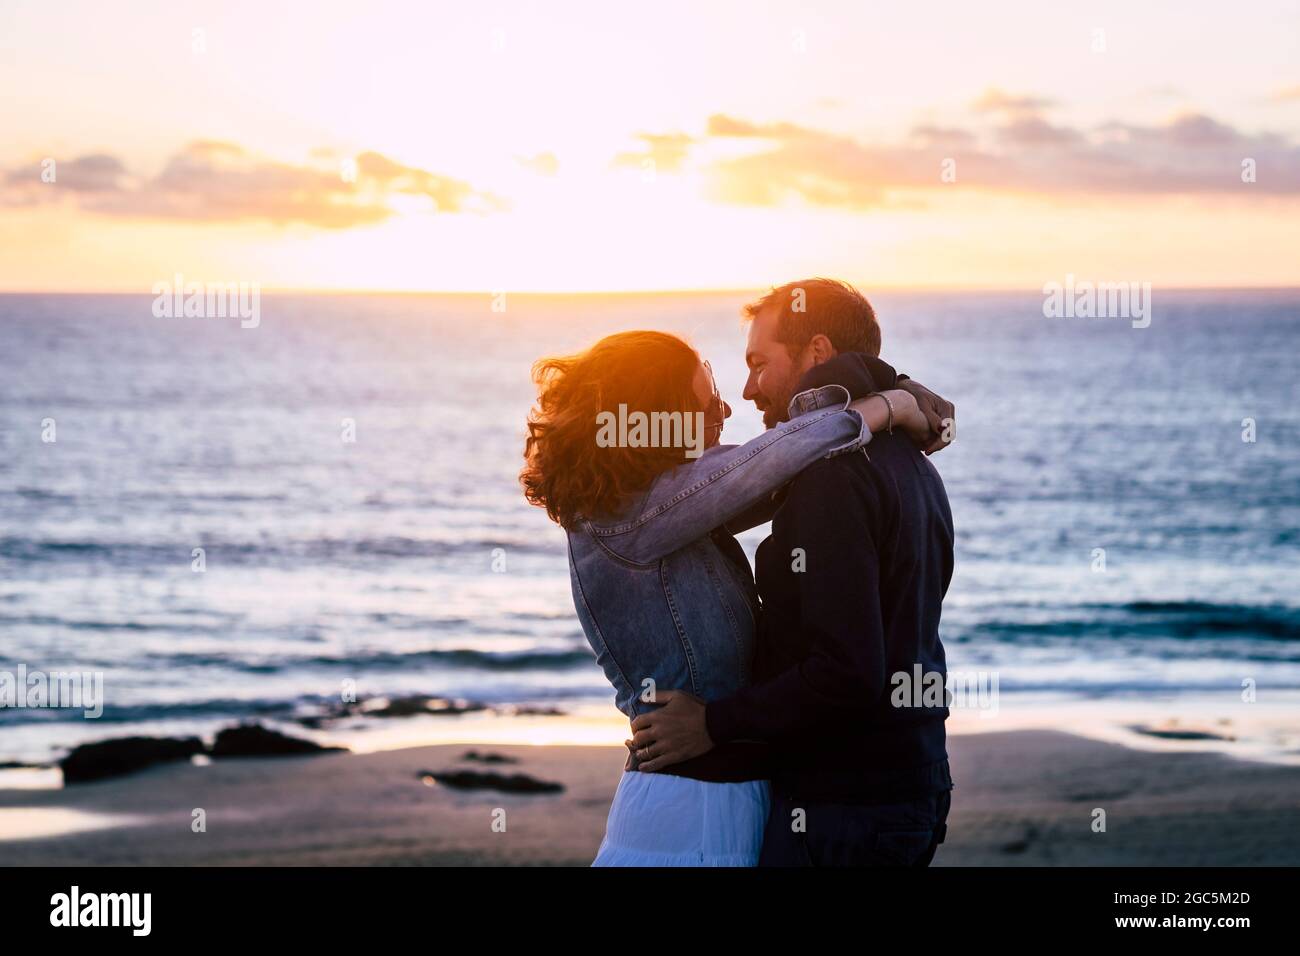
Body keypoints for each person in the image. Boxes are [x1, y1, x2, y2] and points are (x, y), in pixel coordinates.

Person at [521, 325, 950, 865]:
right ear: (658, 415)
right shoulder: (627, 517)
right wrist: (895, 403)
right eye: (707, 401)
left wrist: (899, 390)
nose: (726, 412)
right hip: (688, 808)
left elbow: (777, 468)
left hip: (733, 798)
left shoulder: (671, 508)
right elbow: (779, 455)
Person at [628, 279, 956, 866]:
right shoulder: (913, 460)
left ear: (818, 352)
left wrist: (712, 724)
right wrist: (898, 394)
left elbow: (848, 672)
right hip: (910, 783)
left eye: (759, 364)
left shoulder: (833, 473)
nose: (749, 390)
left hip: (843, 807)